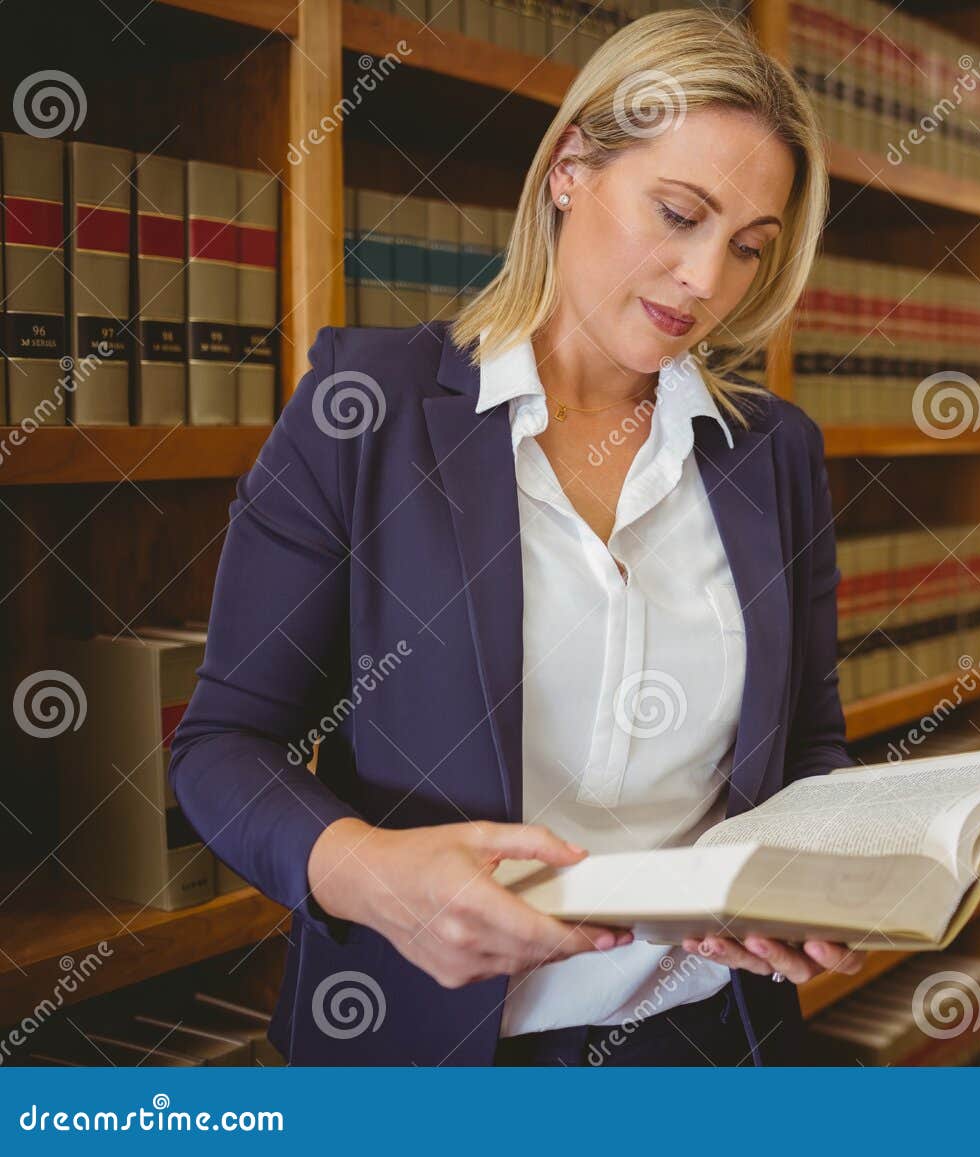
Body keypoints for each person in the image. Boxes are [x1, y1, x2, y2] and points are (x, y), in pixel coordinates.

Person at [170, 9, 864, 1067]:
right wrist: (366, 870)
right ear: (570, 168)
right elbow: (221, 745)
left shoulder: (772, 452)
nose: (705, 279)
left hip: (715, 1040)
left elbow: (809, 742)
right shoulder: (369, 410)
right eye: (678, 213)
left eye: (749, 248)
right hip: (430, 1045)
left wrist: (808, 878)